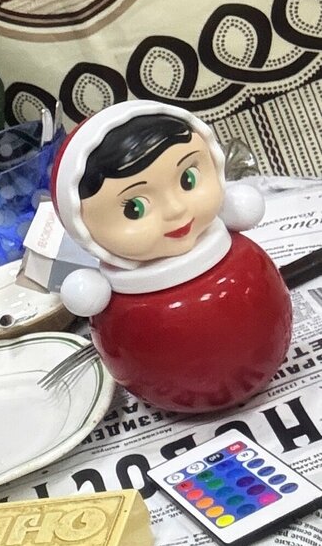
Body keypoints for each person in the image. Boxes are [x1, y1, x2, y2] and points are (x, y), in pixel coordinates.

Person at [51, 100, 292, 413]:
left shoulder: (242, 256)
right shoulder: (118, 307)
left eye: (188, 179)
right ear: (82, 226)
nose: (176, 210)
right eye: (134, 208)